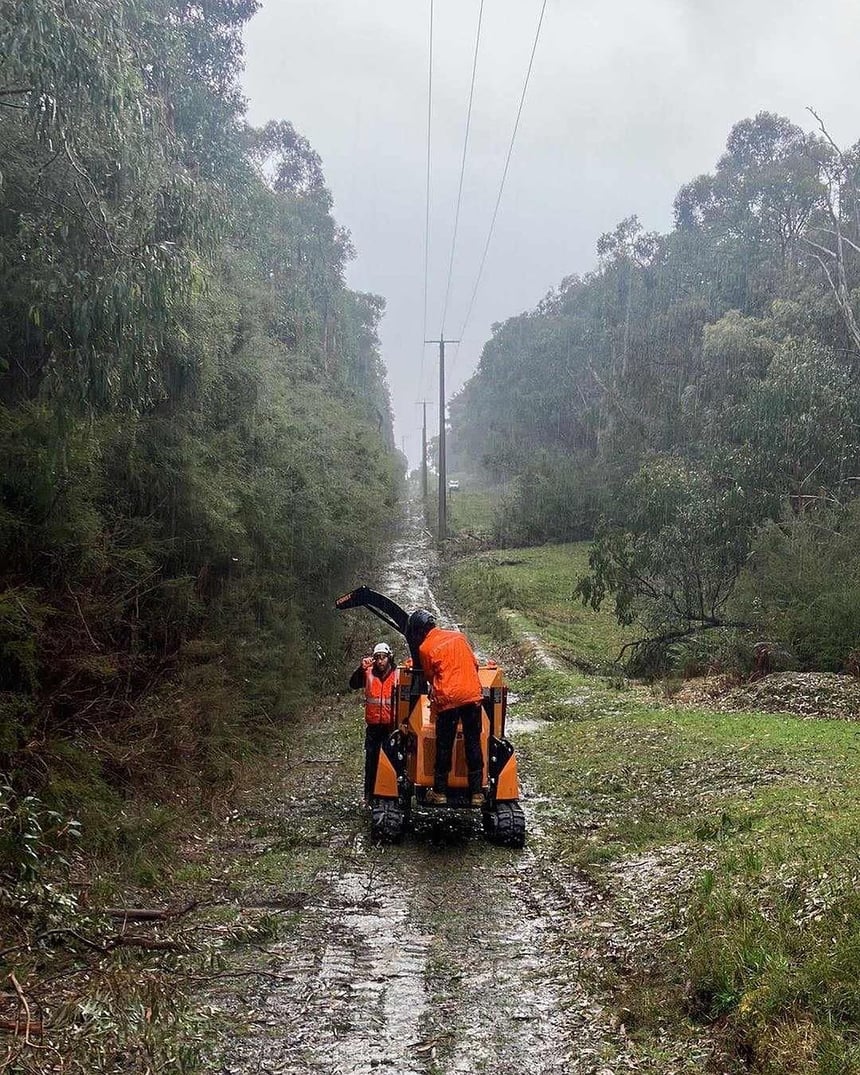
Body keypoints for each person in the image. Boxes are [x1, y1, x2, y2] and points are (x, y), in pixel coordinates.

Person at [406, 609, 484, 807]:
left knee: (444, 745)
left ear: (418, 632)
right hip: (472, 695)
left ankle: (439, 792)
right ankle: (476, 793)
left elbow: (430, 677)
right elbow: (474, 664)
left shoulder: (425, 648)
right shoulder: (459, 637)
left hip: (449, 700)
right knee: (473, 743)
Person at [349, 641, 398, 804]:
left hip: (391, 728)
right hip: (373, 727)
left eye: (383, 658)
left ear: (389, 657)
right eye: (377, 658)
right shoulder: (368, 673)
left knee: (391, 760)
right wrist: (360, 669)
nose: (380, 661)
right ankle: (370, 796)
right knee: (371, 761)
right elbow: (353, 684)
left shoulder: (397, 675)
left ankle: (390, 796)